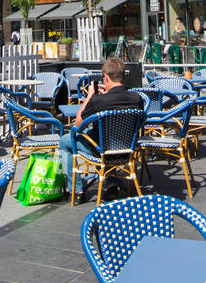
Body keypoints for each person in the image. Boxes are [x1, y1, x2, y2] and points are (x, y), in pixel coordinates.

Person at [55, 57, 142, 192]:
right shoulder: (137, 99)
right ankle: (111, 182)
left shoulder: (98, 101)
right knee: (107, 136)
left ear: (106, 77)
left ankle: (76, 190)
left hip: (101, 150)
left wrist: (90, 96)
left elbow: (77, 125)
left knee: (64, 142)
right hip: (127, 149)